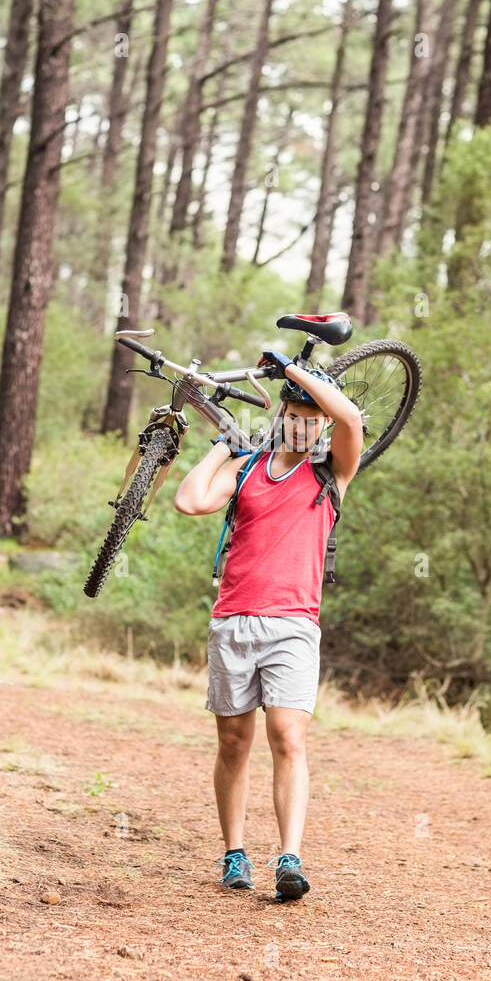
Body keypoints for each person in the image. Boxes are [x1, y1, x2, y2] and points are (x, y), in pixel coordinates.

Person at [173, 352, 364, 900]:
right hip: (233, 620)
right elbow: (190, 501)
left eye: (312, 417)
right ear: (281, 416)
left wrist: (295, 372)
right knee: (234, 743)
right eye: (294, 414)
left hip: (293, 627)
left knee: (288, 737)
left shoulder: (332, 471)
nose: (303, 425)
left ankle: (290, 858)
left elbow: (350, 420)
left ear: (320, 423)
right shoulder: (248, 467)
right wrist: (221, 447)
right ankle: (235, 854)